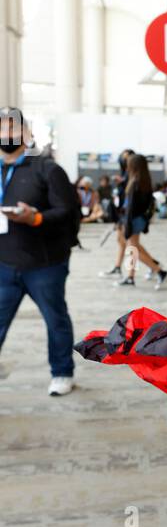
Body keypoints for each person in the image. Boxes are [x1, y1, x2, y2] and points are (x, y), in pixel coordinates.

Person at [0, 106, 78, 396]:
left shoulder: (47, 169)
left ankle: (62, 372)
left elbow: (68, 211)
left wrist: (36, 218)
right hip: (3, 264)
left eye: (14, 128)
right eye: (3, 128)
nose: (8, 134)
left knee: (55, 318)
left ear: (27, 133)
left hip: (45, 265)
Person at [116, 154, 167, 290]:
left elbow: (130, 208)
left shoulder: (134, 183)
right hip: (139, 220)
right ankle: (131, 276)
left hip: (132, 220)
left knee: (132, 249)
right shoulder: (144, 181)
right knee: (135, 247)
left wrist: (125, 225)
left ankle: (158, 270)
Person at [99, 148, 135, 278]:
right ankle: (118, 267)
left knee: (134, 247)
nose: (124, 160)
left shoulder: (134, 176)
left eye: (127, 158)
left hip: (130, 216)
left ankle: (155, 269)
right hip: (123, 214)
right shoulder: (126, 175)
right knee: (122, 241)